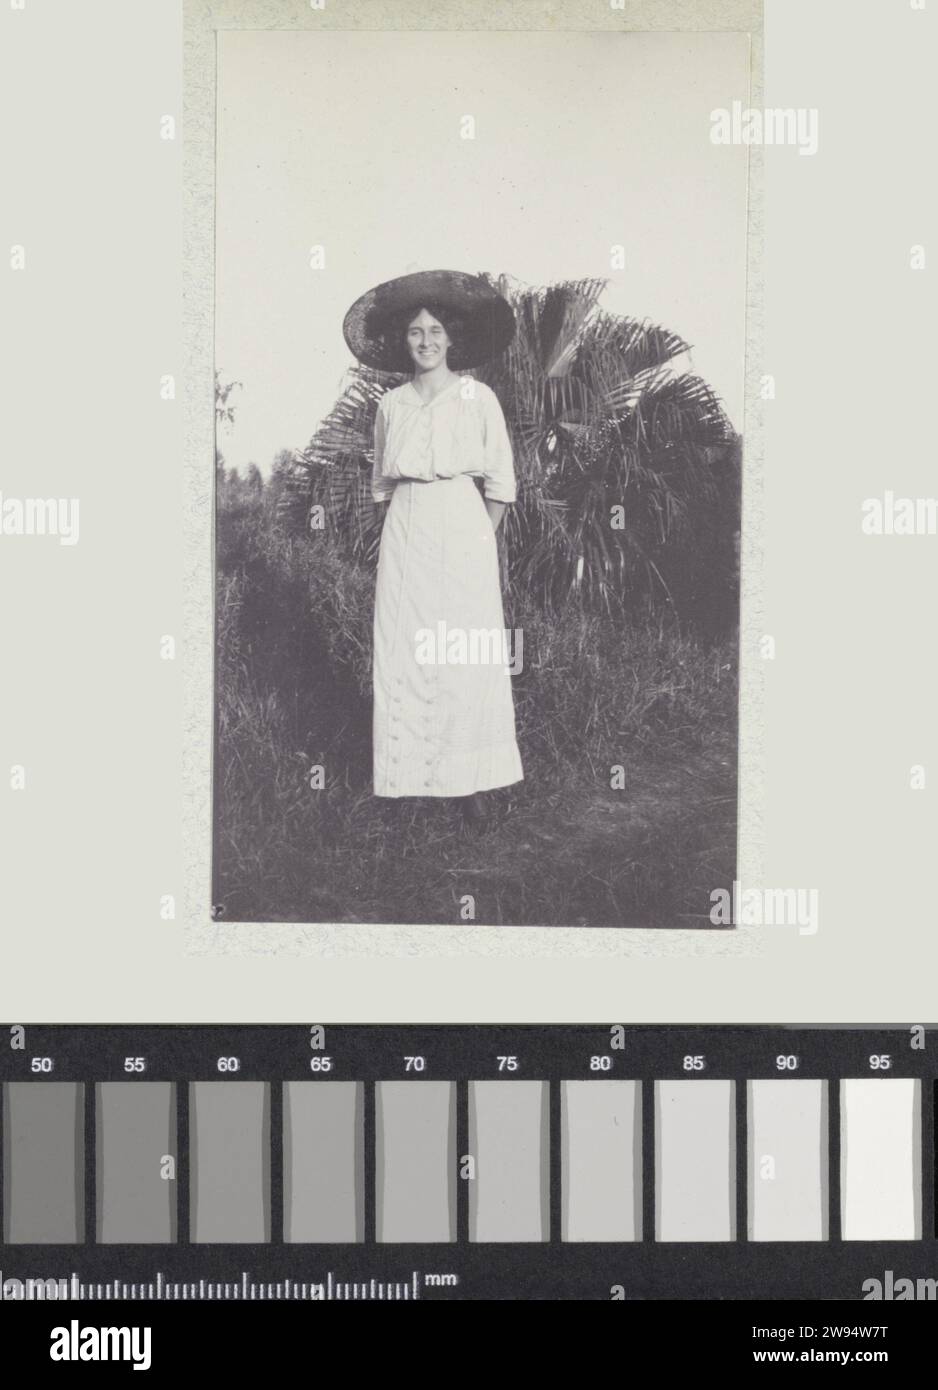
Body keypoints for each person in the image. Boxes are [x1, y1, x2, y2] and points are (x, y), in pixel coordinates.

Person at [342, 270, 523, 827]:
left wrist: (474, 540)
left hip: (464, 524)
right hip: (406, 529)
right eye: (416, 332)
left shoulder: (479, 398)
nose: (425, 341)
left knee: (464, 654)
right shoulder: (391, 405)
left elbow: (501, 484)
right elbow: (380, 486)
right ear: (404, 340)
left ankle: (470, 786)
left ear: (452, 339)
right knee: (405, 651)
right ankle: (406, 778)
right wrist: (401, 531)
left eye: (436, 331)